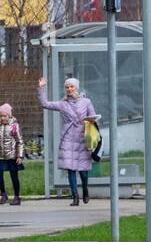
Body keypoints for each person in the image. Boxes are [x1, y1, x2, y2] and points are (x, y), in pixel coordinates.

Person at [37, 76, 98, 206]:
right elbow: (45, 104)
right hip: (68, 138)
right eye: (67, 87)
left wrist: (90, 122)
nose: (69, 89)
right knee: (70, 169)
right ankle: (75, 196)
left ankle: (85, 189)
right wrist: (41, 87)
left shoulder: (86, 101)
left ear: (76, 87)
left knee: (83, 170)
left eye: (72, 86)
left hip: (83, 137)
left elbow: (93, 116)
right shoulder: (62, 103)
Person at [0, 103, 23, 206]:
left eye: (5, 116)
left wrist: (19, 156)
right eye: (0, 116)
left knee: (14, 177)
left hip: (12, 156)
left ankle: (17, 197)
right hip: (1, 156)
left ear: (9, 116)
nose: (2, 118)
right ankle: (3, 194)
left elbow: (20, 141)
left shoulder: (14, 126)